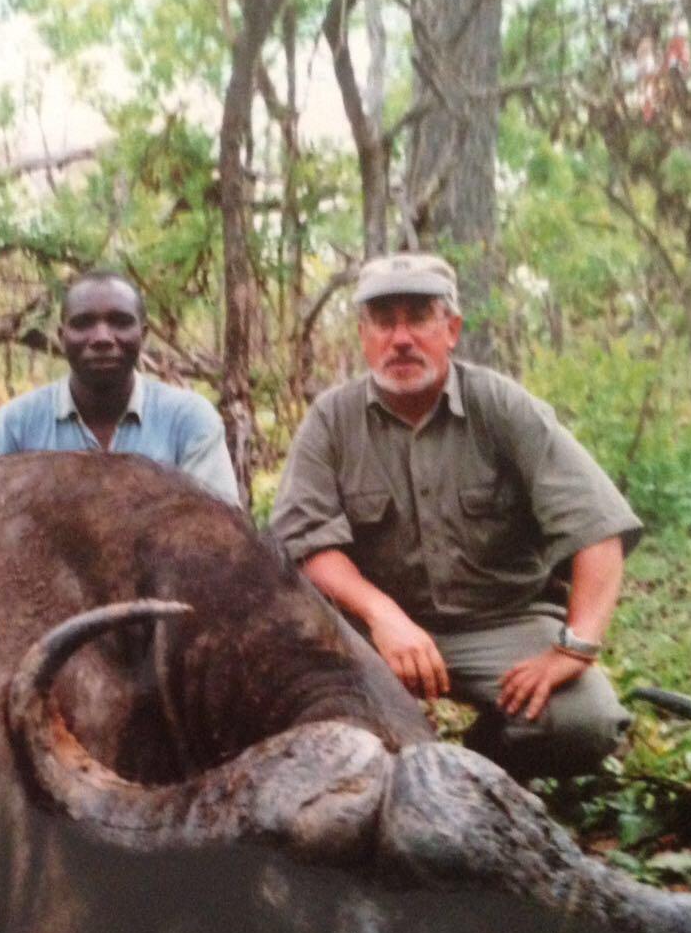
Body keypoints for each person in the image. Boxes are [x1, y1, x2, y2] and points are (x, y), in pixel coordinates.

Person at [270, 252, 642, 780]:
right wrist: (383, 615)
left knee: (584, 722)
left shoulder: (502, 406)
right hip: (373, 630)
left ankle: (481, 765)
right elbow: (306, 542)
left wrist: (575, 649)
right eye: (384, 321)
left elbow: (598, 528)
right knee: (289, 706)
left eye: (419, 317)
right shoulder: (332, 419)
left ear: (452, 329)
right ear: (363, 336)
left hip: (502, 620)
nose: (401, 339)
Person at [0, 269, 240, 507]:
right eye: (83, 323)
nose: (102, 338)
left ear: (143, 335)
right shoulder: (13, 428)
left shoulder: (189, 421)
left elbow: (218, 536)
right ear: (62, 337)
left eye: (120, 322)